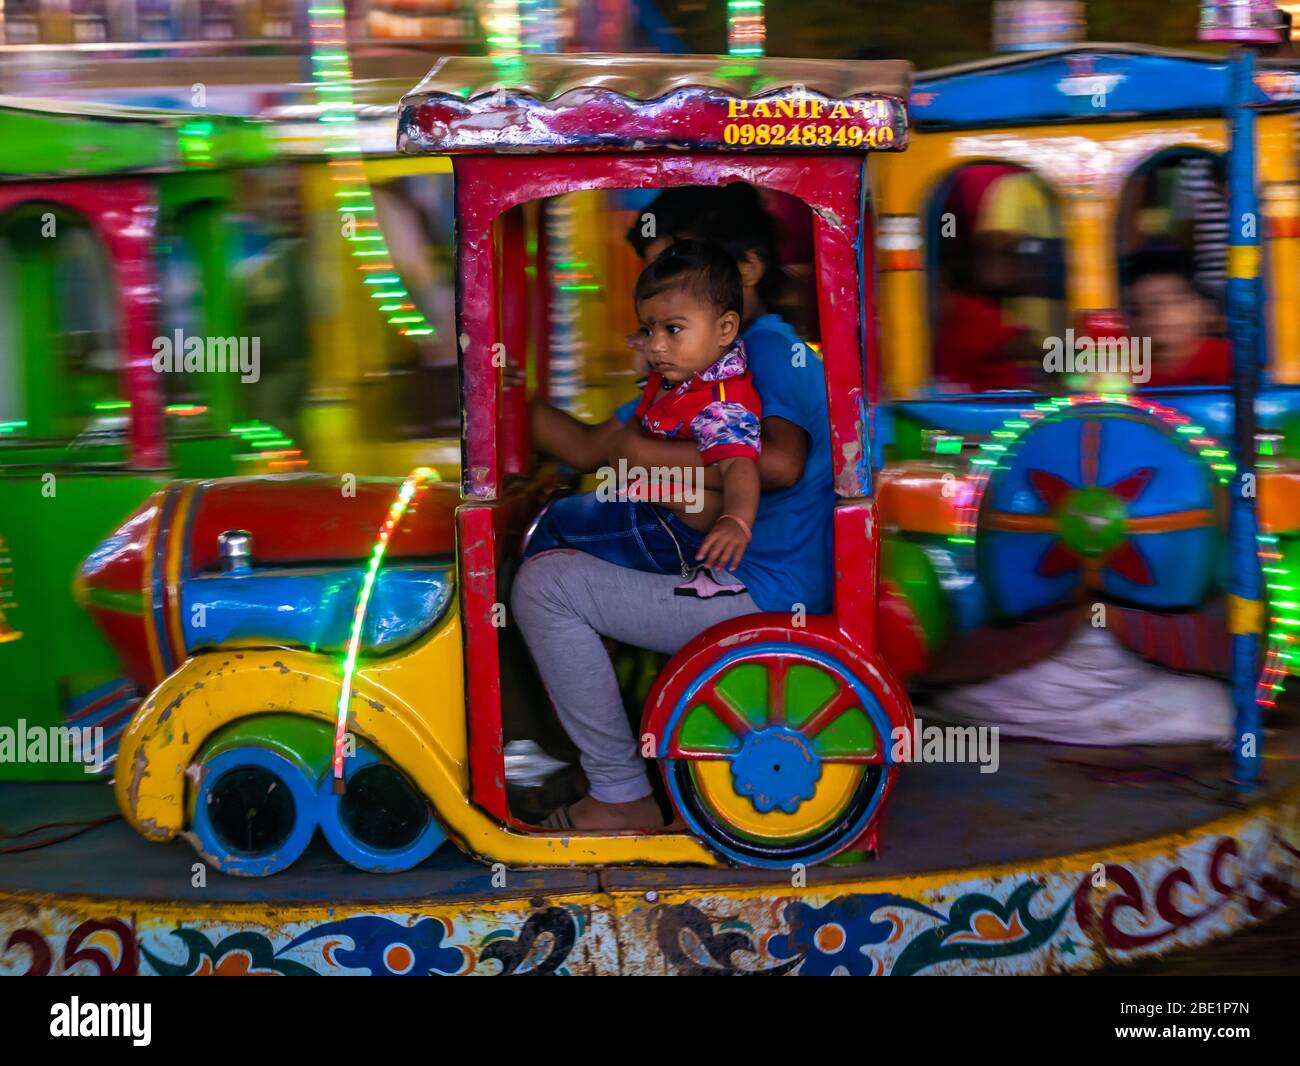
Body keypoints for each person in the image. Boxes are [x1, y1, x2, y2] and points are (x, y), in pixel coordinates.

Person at [511, 183, 834, 831]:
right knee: (563, 540)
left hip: (761, 587)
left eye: (685, 266)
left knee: (546, 586)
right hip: (722, 567)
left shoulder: (766, 349)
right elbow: (588, 442)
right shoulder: (689, 372)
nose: (660, 331)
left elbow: (779, 462)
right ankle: (579, 755)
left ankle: (619, 793)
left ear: (744, 272)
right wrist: (505, 401)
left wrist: (640, 456)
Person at [625, 240, 762, 595]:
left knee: (558, 526)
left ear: (725, 329)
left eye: (672, 329)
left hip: (677, 530)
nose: (655, 345)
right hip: (651, 507)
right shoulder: (675, 379)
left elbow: (738, 466)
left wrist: (736, 521)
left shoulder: (720, 402)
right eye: (647, 330)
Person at [1125, 246, 1231, 388]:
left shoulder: (1232, 360)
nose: (1162, 313)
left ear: (1207, 310)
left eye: (1176, 301)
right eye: (1146, 305)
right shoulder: (1127, 371)